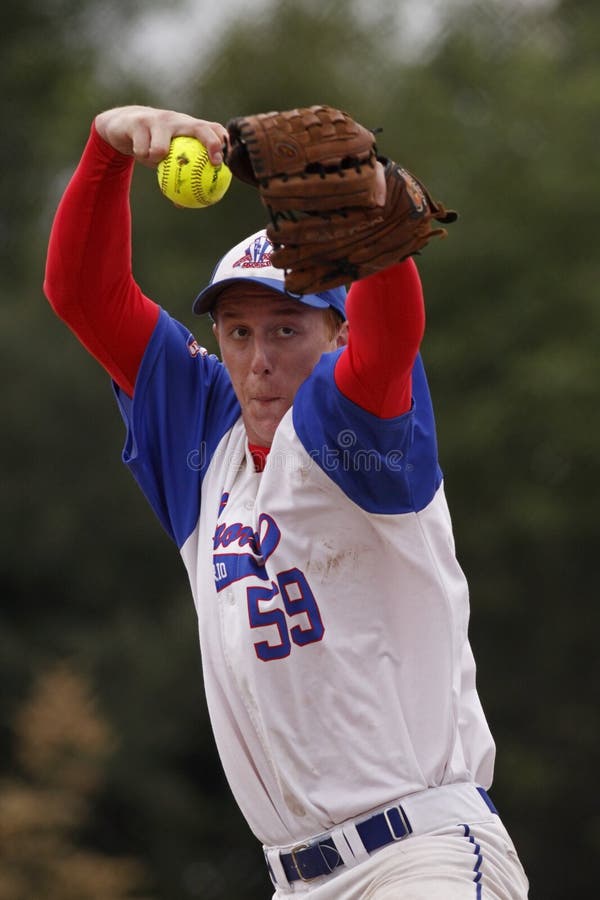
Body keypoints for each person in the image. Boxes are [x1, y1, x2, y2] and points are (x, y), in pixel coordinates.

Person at [43, 105, 529, 899]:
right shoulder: (206, 440)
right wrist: (104, 151)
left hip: (421, 855)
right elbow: (83, 294)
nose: (259, 359)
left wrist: (364, 217)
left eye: (287, 328)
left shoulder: (352, 418)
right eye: (237, 332)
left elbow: (390, 335)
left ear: (335, 336)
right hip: (294, 877)